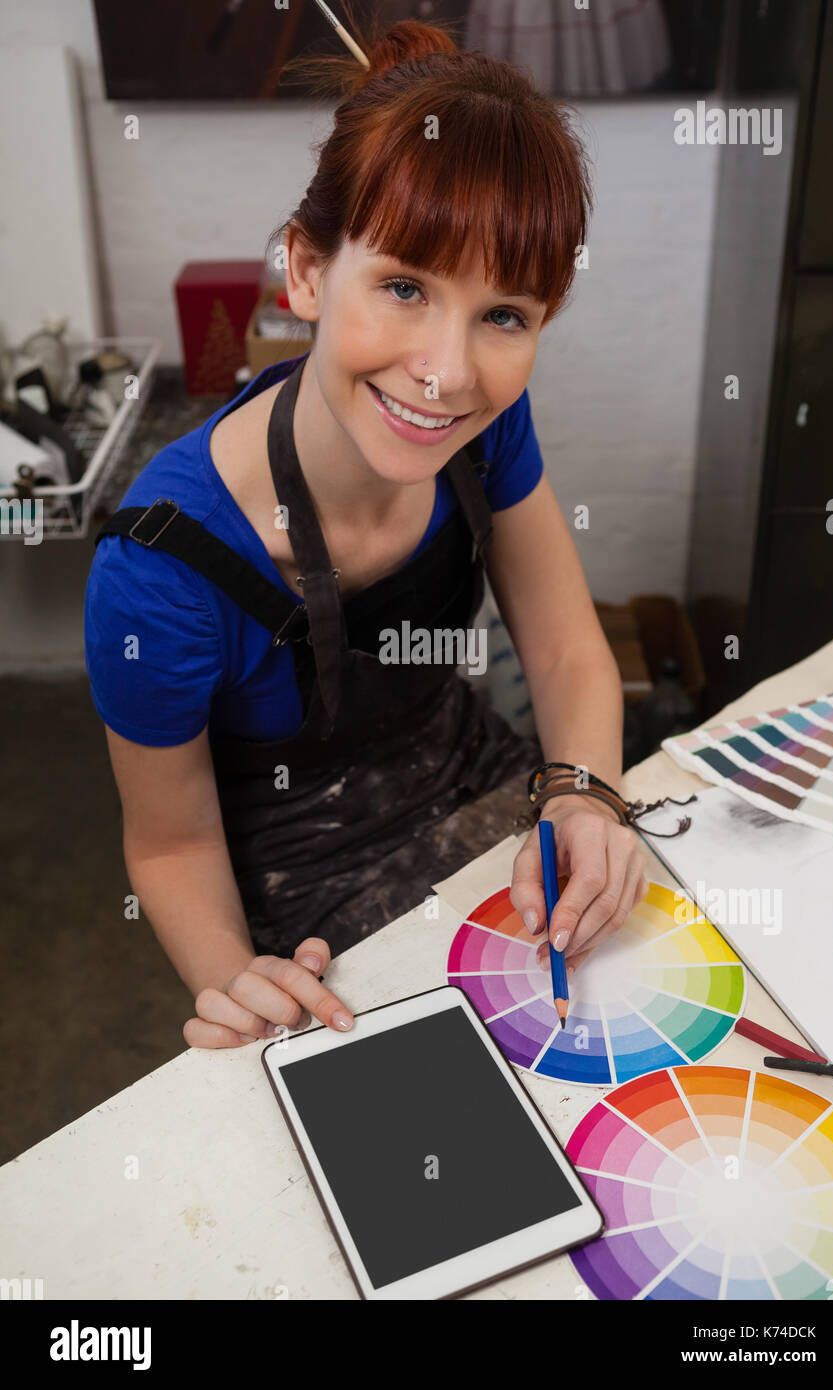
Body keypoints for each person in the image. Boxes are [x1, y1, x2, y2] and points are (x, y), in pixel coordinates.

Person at [85, 13, 649, 1050]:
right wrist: (236, 982)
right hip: (296, 887)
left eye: (504, 315)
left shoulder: (488, 424)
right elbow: (170, 847)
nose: (446, 373)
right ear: (306, 272)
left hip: (475, 780)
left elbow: (568, 651)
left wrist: (582, 798)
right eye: (402, 287)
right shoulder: (159, 571)